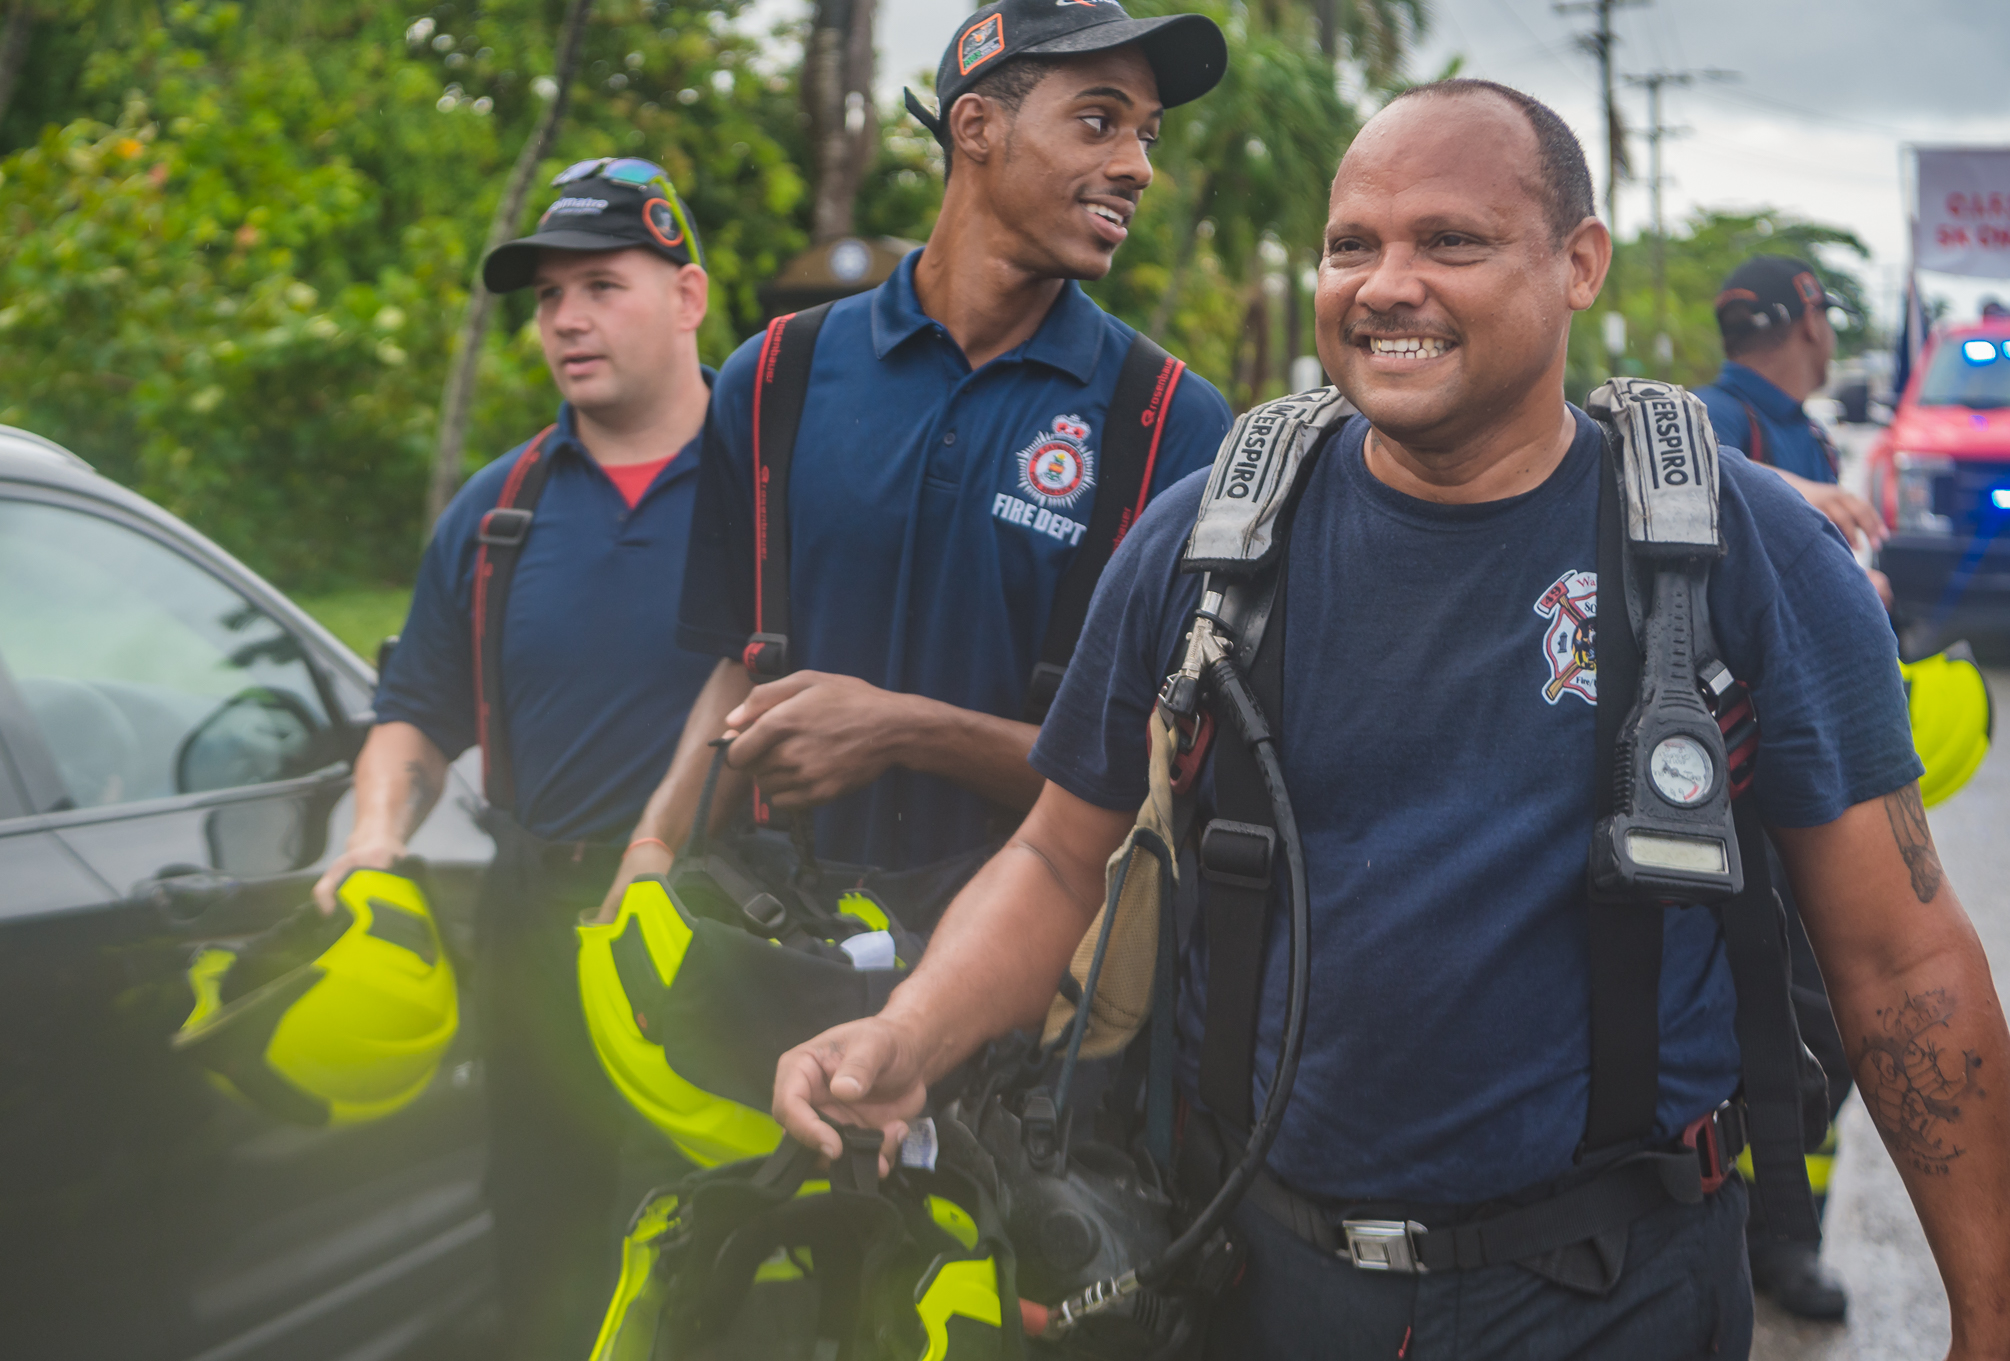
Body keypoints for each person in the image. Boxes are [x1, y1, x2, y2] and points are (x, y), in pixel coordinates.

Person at [774, 81, 2010, 1357]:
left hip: (1612, 1290)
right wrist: (905, 1034)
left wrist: (1988, 1319)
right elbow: (1053, 857)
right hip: (1261, 1277)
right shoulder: (1209, 541)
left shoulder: (1735, 552)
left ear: (1578, 264)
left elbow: (1903, 960)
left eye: (1451, 242)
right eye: (1351, 245)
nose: (1385, 284)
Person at [600, 0, 1235, 919]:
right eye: (1099, 122)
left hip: (1025, 972)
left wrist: (904, 730)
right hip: (778, 933)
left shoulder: (1168, 421)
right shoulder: (775, 374)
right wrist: (652, 850)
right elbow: (745, 662)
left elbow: (1158, 769)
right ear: (975, 126)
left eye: (1146, 135)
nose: (1137, 166)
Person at [310, 159, 719, 1356]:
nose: (567, 322)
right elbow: (415, 715)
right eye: (548, 299)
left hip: (716, 931)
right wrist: (375, 837)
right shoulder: (500, 516)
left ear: (688, 295)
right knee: (541, 1236)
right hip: (536, 926)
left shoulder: (771, 501)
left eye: (601, 285)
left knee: (711, 1250)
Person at [1697, 254, 1881, 1320]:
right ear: (1804, 318)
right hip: (1747, 788)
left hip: (1810, 769)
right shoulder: (1728, 424)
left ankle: (1782, 1226)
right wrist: (1792, 493)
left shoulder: (1803, 426)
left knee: (1815, 1015)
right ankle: (1770, 1237)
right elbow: (1671, 460)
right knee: (1803, 1016)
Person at [1695, 254, 1893, 607]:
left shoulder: (1809, 430)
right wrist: (1795, 494)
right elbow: (1690, 470)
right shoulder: (1707, 413)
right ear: (1812, 325)